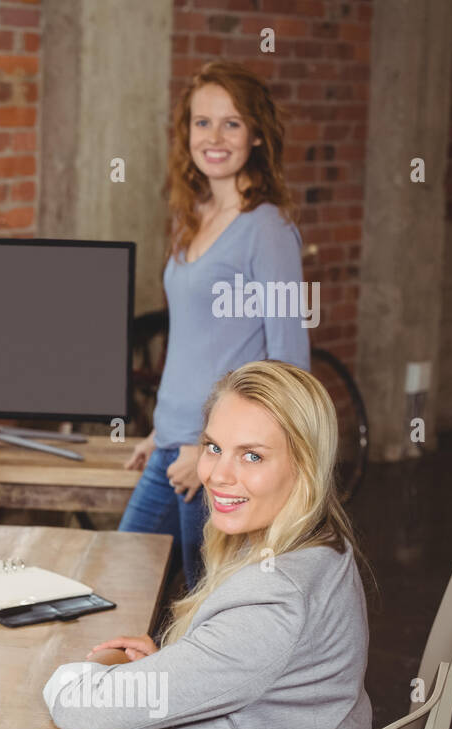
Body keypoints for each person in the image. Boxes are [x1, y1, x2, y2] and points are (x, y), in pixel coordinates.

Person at [46, 360, 372, 729]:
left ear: (304, 466)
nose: (219, 473)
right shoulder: (321, 550)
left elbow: (76, 706)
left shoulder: (275, 601)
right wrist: (186, 664)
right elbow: (252, 667)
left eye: (252, 456)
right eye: (215, 447)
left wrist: (77, 675)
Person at [121, 61, 310, 591]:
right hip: (173, 447)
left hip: (214, 460)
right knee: (124, 587)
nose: (215, 137)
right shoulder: (194, 215)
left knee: (206, 610)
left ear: (255, 134)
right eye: (202, 122)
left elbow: (289, 364)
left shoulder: (267, 229)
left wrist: (207, 449)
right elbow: (194, 344)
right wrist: (163, 430)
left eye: (232, 123)